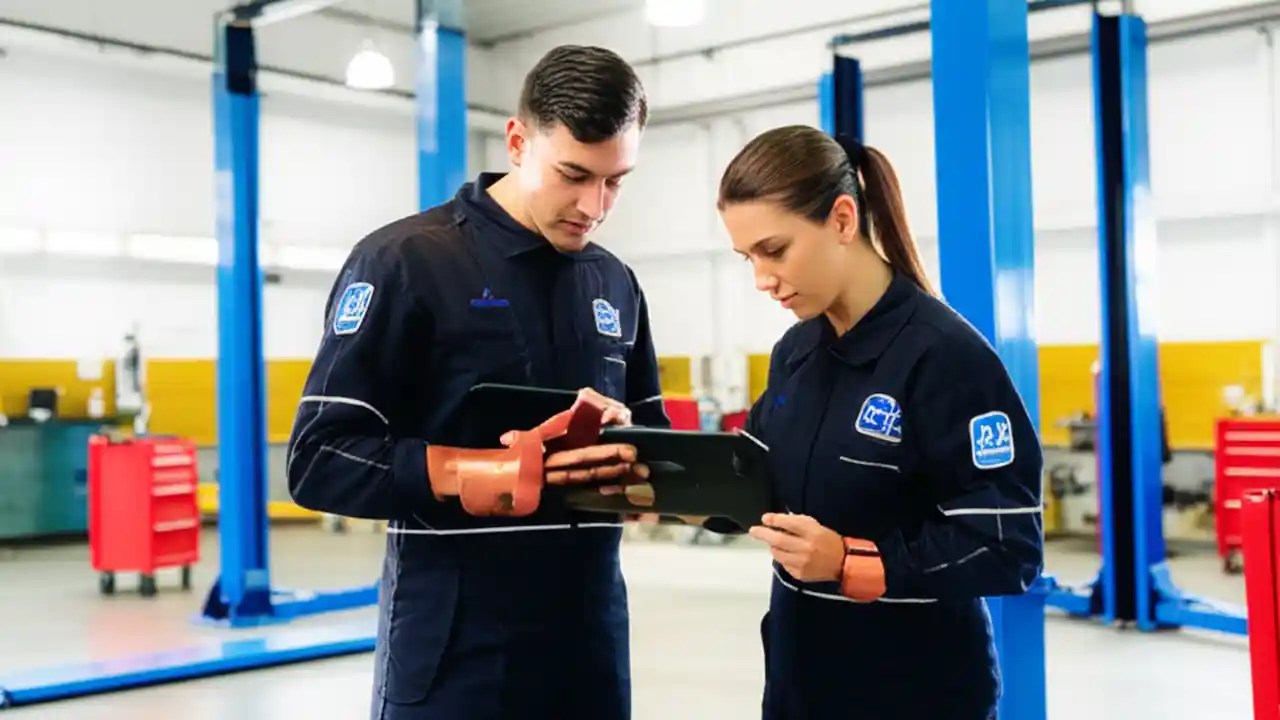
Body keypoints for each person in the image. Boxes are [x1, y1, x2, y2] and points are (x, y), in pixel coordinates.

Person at [285, 45, 669, 720]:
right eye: (574, 175)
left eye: (615, 181)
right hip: (452, 651)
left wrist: (636, 459)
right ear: (518, 141)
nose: (594, 206)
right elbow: (319, 459)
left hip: (589, 648)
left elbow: (657, 450)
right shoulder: (405, 262)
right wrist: (478, 470)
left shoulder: (615, 282)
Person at [716, 125, 1045, 719]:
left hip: (914, 687)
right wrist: (645, 466)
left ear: (842, 220)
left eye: (774, 250)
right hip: (802, 679)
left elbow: (1007, 545)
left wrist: (849, 561)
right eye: (748, 258)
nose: (761, 279)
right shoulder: (796, 352)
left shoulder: (946, 357)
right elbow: (751, 475)